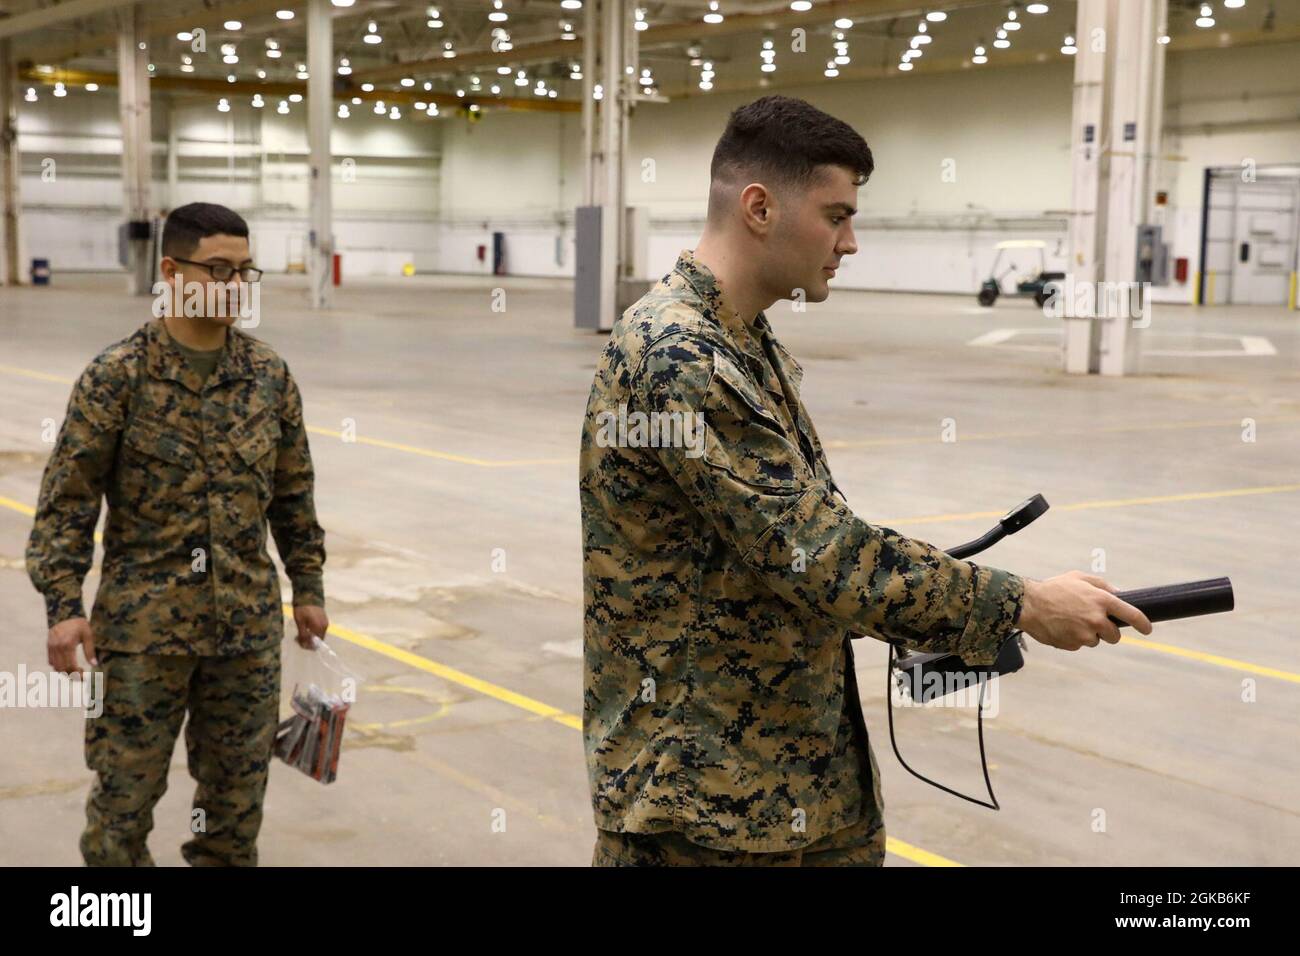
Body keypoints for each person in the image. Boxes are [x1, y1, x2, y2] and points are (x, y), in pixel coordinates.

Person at [579, 96, 1152, 867]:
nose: (849, 243)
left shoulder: (740, 341)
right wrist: (1022, 603)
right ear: (759, 208)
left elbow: (794, 550)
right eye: (836, 216)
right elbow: (817, 554)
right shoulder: (679, 354)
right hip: (705, 809)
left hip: (783, 782)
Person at [26, 201, 329, 866]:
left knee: (235, 813)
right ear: (171, 271)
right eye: (218, 269)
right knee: (121, 811)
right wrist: (63, 607)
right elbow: (67, 502)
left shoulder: (268, 377)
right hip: (143, 636)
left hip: (245, 635)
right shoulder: (118, 376)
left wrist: (308, 585)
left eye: (244, 271)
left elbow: (293, 493)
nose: (235, 285)